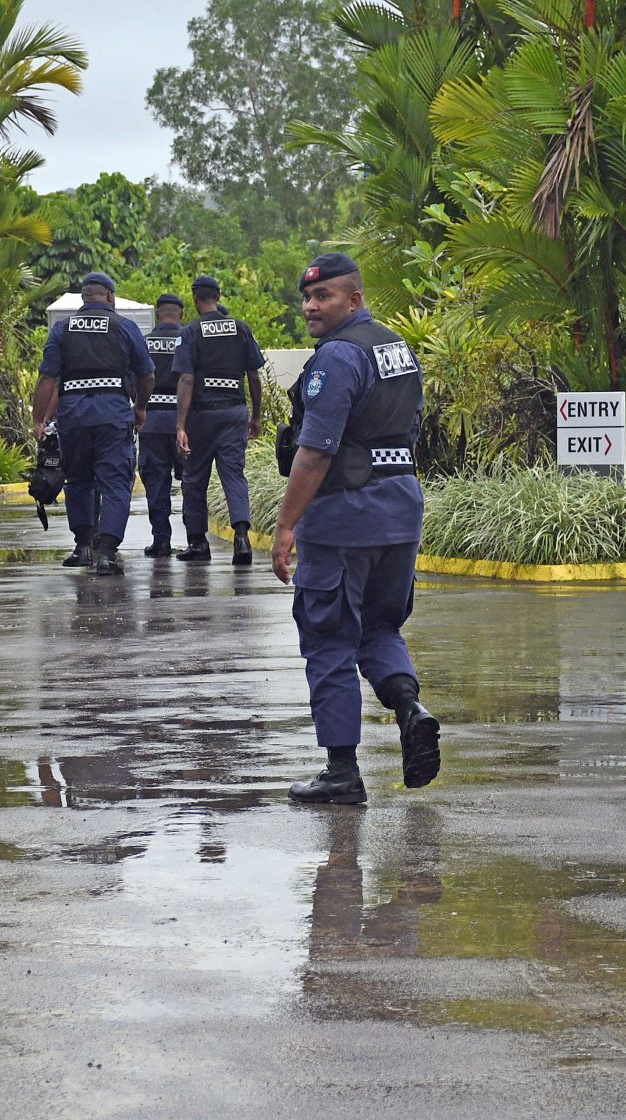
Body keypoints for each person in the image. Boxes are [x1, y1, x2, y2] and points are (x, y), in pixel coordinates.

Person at [272, 252, 440, 805]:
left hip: (345, 517)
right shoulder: (395, 348)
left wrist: (286, 525)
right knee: (380, 627)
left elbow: (315, 451)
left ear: (354, 299)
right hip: (400, 509)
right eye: (307, 298)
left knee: (329, 639)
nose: (310, 307)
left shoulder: (337, 358)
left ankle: (342, 772)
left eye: (323, 298)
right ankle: (411, 709)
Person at [31, 271, 154, 576]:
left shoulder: (62, 330)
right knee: (114, 482)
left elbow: (47, 378)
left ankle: (83, 546)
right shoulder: (125, 327)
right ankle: (108, 554)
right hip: (113, 415)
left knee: (79, 481)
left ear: (84, 297)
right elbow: (147, 375)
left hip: (73, 417)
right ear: (110, 297)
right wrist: (140, 408)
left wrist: (39, 420)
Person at [172, 274, 265, 564]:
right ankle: (241, 539)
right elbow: (253, 375)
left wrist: (181, 425)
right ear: (218, 296)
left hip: (202, 415)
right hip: (234, 412)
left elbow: (186, 379)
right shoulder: (240, 328)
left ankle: (197, 543)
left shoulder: (191, 332)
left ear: (195, 299)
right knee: (234, 476)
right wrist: (257, 416)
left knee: (195, 478)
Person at [138, 294, 186, 556]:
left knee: (156, 483)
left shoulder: (145, 343)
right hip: (184, 425)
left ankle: (161, 540)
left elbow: (134, 379)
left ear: (158, 315)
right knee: (191, 480)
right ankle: (195, 539)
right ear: (181, 314)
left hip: (152, 423)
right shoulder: (189, 340)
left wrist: (138, 410)